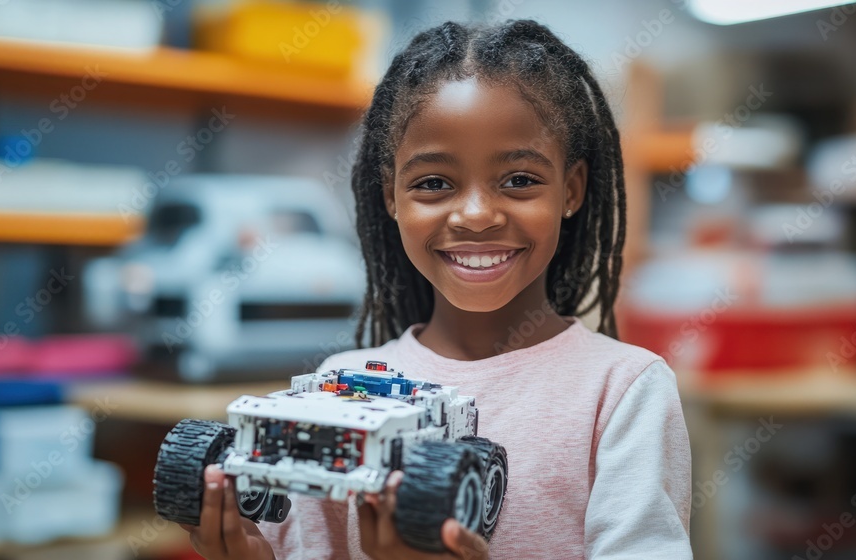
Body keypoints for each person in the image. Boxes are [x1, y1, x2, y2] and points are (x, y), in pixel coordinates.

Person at [180, 18, 692, 560]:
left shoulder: (622, 393)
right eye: (433, 183)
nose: (475, 215)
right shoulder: (337, 388)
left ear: (571, 190)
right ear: (391, 197)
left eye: (519, 180)